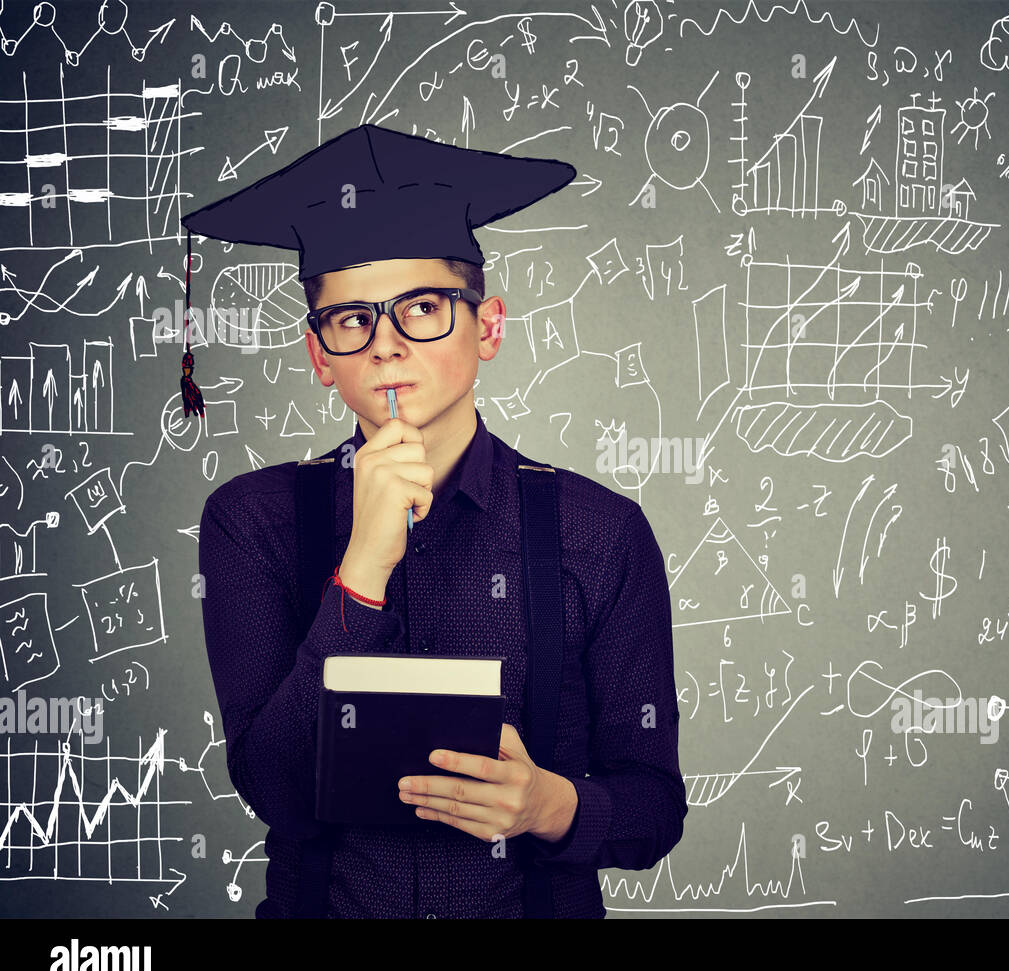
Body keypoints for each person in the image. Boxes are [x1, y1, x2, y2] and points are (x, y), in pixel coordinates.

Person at [192, 125, 687, 917]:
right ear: (320, 354)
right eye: (352, 319)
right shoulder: (254, 523)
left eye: (422, 307)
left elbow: (654, 809)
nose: (386, 346)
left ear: (486, 326)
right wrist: (360, 573)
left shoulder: (599, 533)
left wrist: (545, 805)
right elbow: (273, 788)